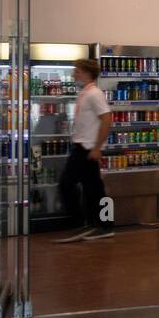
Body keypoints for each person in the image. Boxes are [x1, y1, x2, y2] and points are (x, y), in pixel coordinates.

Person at [53, 59, 114, 241]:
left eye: (77, 71)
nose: (74, 74)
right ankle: (102, 224)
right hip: (83, 146)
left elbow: (106, 119)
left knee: (67, 184)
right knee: (94, 187)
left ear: (86, 73)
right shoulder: (85, 92)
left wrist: (97, 147)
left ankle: (80, 223)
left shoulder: (94, 94)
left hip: (86, 148)